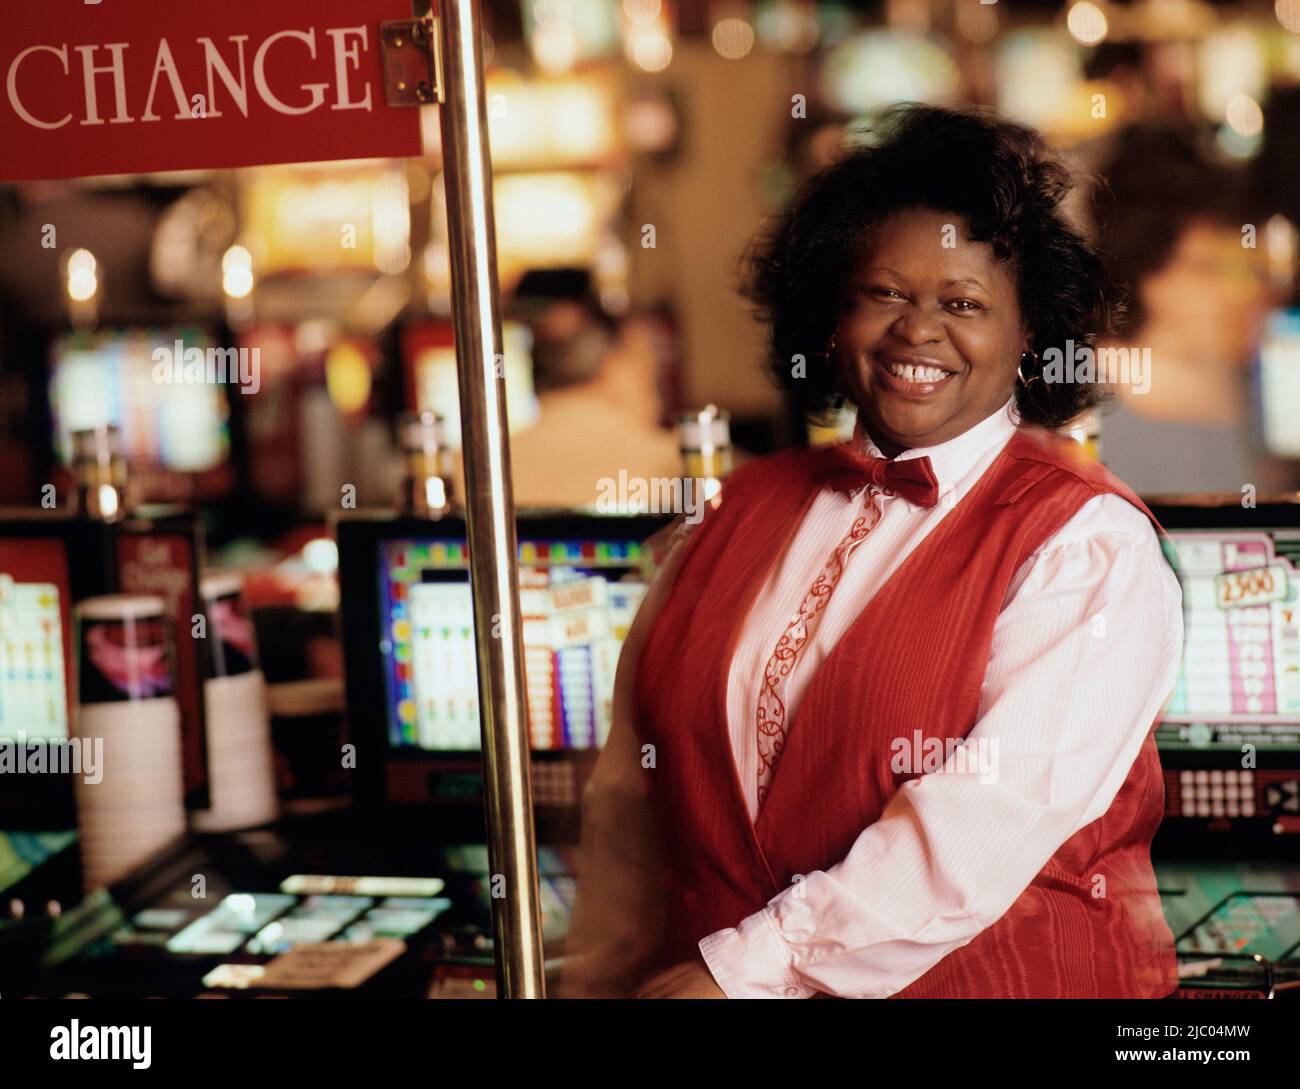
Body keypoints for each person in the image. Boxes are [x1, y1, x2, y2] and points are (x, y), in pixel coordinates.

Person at [559, 104, 1185, 999]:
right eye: (884, 294)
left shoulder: (1089, 545)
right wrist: (601, 976)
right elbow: (631, 801)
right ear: (827, 314)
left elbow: (978, 826)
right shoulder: (734, 508)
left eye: (963, 303)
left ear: (1030, 338)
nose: (917, 332)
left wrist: (740, 972)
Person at [1090, 127, 1277, 495]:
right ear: (1146, 276)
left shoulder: (1262, 388)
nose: (1246, 291)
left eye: (1252, 269)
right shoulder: (1073, 414)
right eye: (1210, 269)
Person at [451, 269, 682, 508]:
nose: (657, 400)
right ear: (614, 366)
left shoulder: (467, 470)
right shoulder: (681, 466)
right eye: (651, 376)